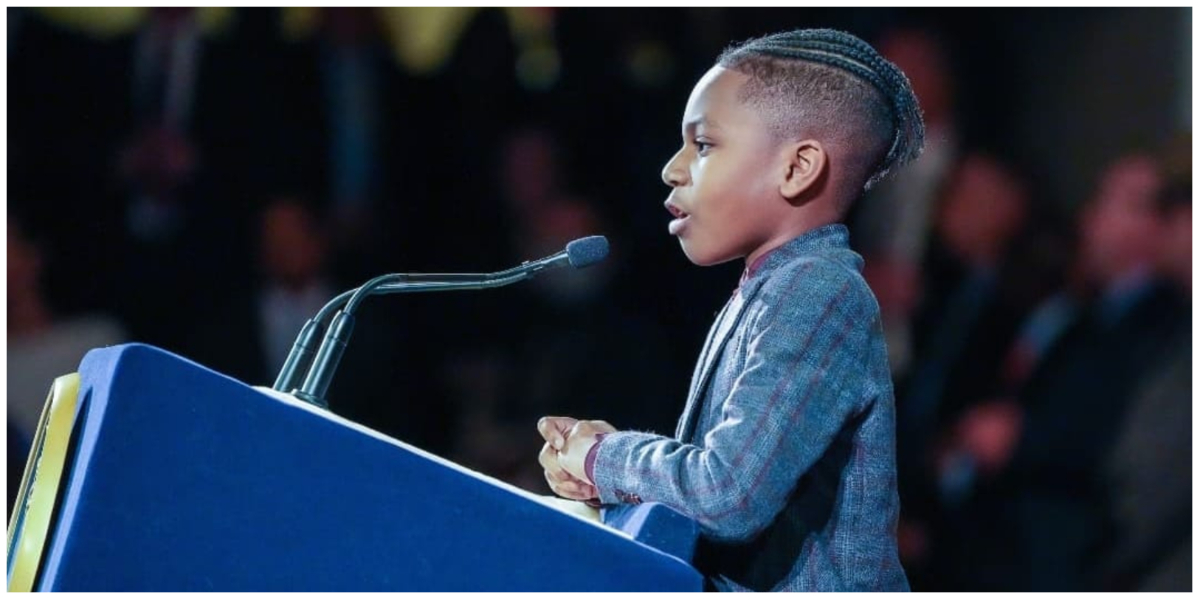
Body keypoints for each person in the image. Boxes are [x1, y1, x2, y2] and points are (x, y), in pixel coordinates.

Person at [535, 28, 924, 591]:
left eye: (704, 145)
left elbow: (727, 495)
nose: (673, 168)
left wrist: (605, 456)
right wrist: (607, 474)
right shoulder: (772, 286)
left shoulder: (817, 290)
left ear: (798, 167)